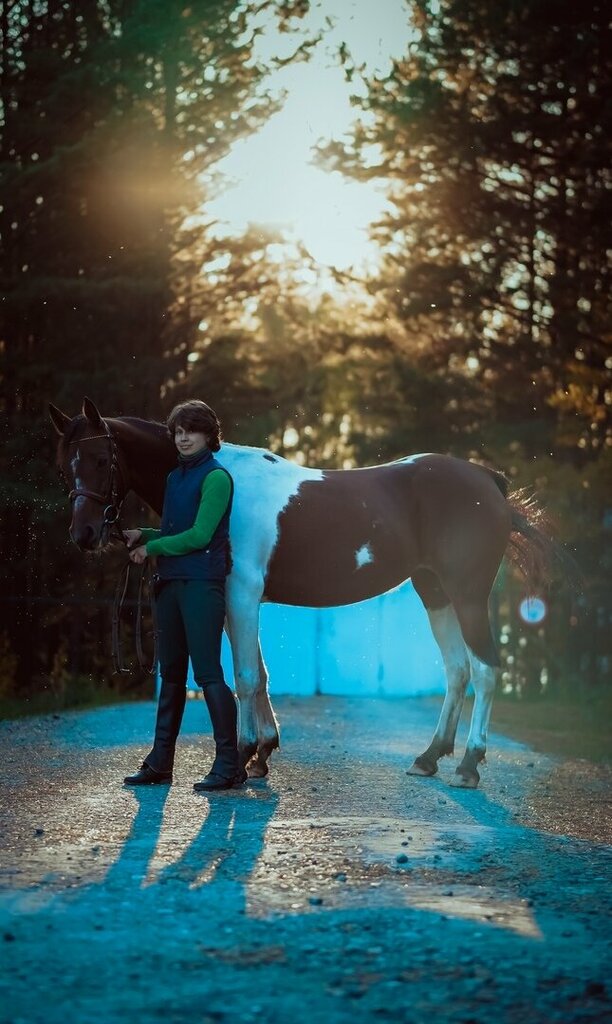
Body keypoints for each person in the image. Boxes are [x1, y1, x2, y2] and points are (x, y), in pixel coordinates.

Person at [123, 399, 245, 792]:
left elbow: (199, 536)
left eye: (190, 430)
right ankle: (160, 764)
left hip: (200, 586)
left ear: (209, 434)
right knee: (171, 676)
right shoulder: (174, 479)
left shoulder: (217, 478)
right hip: (171, 585)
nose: (183, 437)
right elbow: (176, 531)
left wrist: (152, 550)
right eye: (177, 431)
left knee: (208, 674)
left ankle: (229, 766)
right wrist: (145, 535)